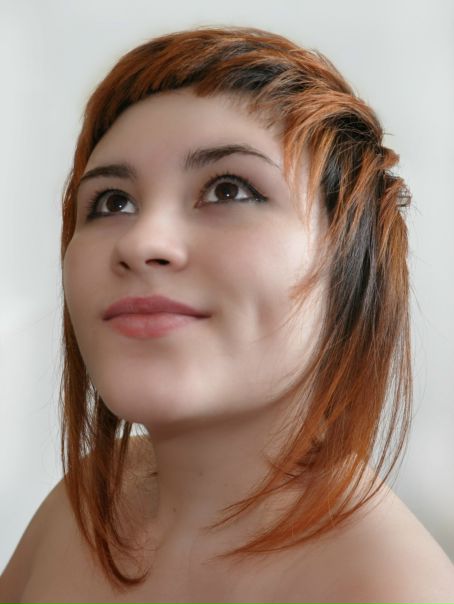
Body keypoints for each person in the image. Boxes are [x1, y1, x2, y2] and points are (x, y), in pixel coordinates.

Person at [1, 25, 453, 603]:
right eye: (113, 202)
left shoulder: (390, 589)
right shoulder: (84, 502)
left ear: (353, 264)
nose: (142, 241)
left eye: (228, 190)